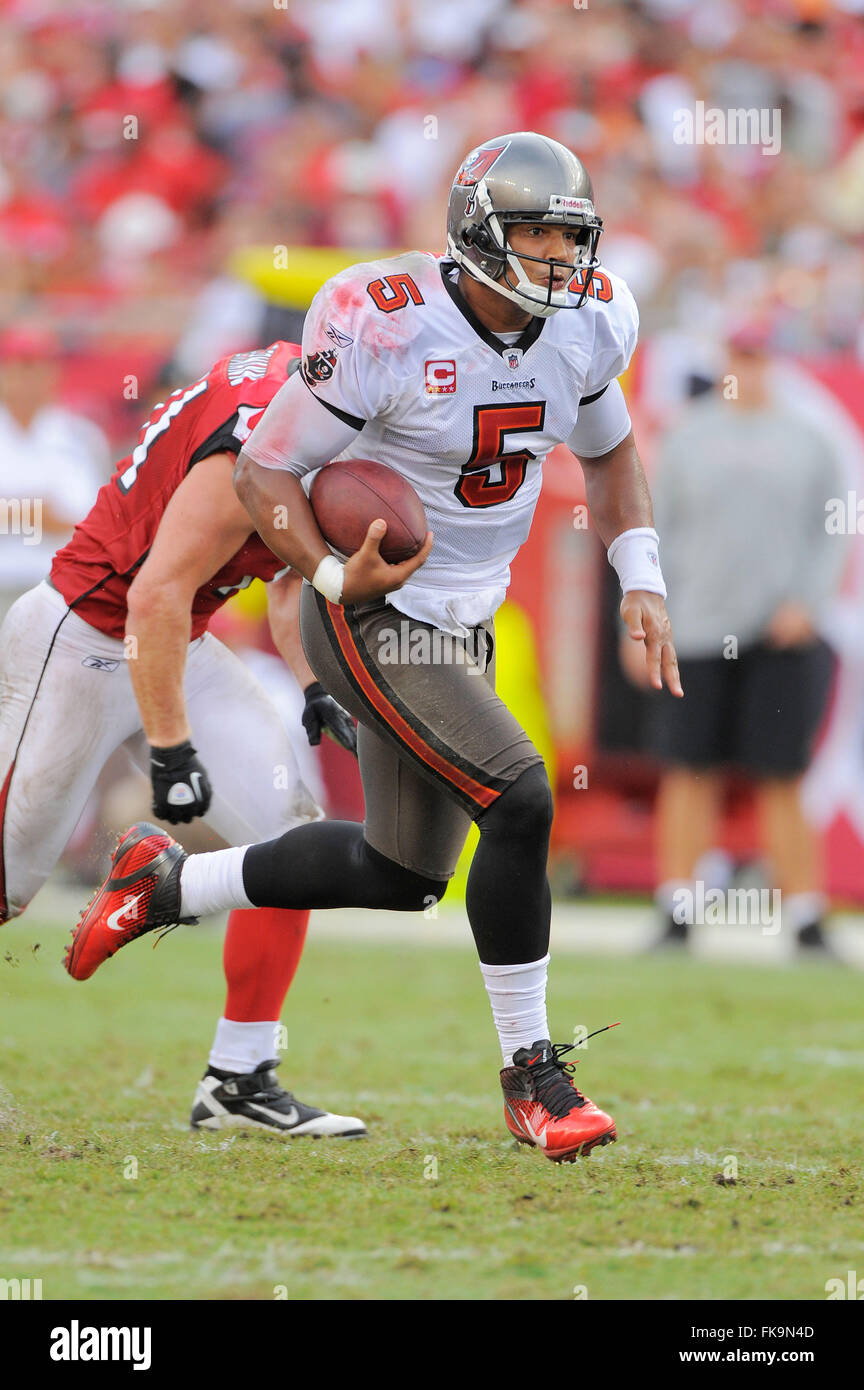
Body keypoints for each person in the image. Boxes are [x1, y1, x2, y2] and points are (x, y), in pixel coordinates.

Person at [67, 131, 682, 1163]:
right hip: (370, 606)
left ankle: (161, 885)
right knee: (521, 796)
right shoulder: (388, 320)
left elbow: (612, 456)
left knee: (402, 872)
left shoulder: (586, 324)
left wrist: (644, 576)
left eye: (571, 238)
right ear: (479, 235)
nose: (561, 260)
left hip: (465, 618)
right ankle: (534, 1078)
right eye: (537, 235)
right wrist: (325, 573)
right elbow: (265, 471)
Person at [0, 339, 366, 1138]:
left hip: (182, 639)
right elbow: (155, 593)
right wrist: (171, 750)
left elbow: (288, 569)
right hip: (82, 633)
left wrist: (311, 683)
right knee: (6, 884)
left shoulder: (330, 410)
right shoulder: (261, 430)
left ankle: (239, 1077)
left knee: (289, 845)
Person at [627, 324, 846, 954]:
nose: (747, 368)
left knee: (782, 774)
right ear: (723, 359)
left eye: (757, 356)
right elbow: (655, 530)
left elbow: (831, 533)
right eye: (739, 355)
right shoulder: (688, 437)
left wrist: (808, 601)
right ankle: (677, 906)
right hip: (697, 629)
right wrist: (642, 620)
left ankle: (805, 914)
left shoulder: (809, 439)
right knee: (689, 771)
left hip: (782, 634)